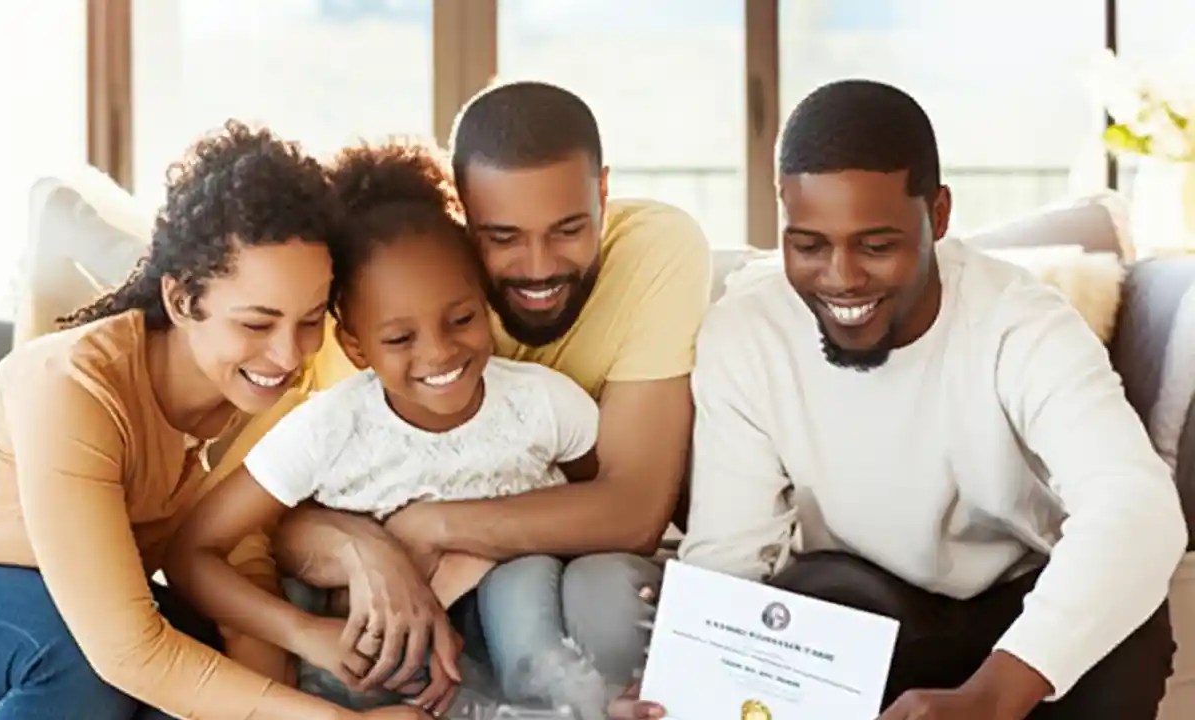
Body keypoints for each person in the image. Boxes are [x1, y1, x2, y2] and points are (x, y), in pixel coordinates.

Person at [615, 79, 1187, 719]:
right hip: (871, 617)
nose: (841, 278)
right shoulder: (745, 334)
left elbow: (1137, 506)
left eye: (876, 245)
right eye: (808, 244)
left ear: (938, 215)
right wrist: (684, 683)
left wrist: (993, 696)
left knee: (1130, 621)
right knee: (814, 589)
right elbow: (733, 553)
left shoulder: (1023, 323)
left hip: (1023, 617)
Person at [210, 80, 711, 704]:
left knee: (597, 594)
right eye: (502, 237)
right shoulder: (395, 296)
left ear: (602, 193)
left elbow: (632, 508)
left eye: (567, 230)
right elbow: (286, 514)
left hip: (527, 582)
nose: (537, 266)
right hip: (395, 597)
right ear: (462, 215)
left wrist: (433, 526)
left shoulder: (651, 251)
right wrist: (377, 554)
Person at [0, 121, 425, 720]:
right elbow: (125, 650)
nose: (289, 356)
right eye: (256, 324)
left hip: (37, 612)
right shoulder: (73, 389)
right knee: (73, 655)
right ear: (182, 300)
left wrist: (300, 654)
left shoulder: (267, 402)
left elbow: (239, 566)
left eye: (310, 320)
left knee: (207, 669)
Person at [165, 139, 607, 714]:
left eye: (462, 319)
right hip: (386, 650)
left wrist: (480, 552)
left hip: (517, 631)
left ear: (487, 303)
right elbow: (192, 553)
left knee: (524, 583)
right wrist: (301, 631)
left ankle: (581, 704)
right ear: (354, 343)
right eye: (400, 339)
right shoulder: (329, 428)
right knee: (367, 646)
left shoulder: (542, 404)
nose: (440, 353)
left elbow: (607, 503)